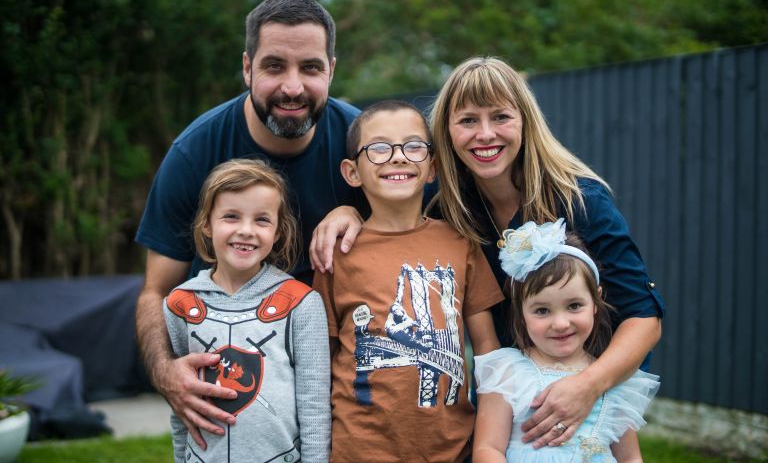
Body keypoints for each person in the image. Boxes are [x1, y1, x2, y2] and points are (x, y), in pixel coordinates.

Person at [310, 56, 664, 450]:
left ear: (525, 122)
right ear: (446, 133)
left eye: (500, 117)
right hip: (503, 411)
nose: (485, 134)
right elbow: (391, 203)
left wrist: (585, 387)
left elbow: (644, 317)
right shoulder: (446, 207)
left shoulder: (581, 201)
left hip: (583, 398)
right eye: (467, 121)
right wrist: (348, 210)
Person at [135, 0, 366, 448]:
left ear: (332, 71)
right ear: (247, 67)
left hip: (345, 375)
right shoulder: (194, 153)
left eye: (311, 68)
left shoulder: (365, 144)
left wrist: (358, 210)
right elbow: (156, 290)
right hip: (234, 386)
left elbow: (424, 228)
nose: (293, 87)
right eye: (275, 66)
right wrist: (167, 373)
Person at [312, 100, 503, 463]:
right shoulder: (336, 254)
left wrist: (489, 442)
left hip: (453, 450)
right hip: (360, 452)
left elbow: (488, 349)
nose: (398, 157)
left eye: (413, 145)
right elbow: (321, 364)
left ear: (432, 168)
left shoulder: (460, 242)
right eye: (379, 148)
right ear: (352, 172)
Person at [163, 159, 330, 463]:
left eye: (262, 220)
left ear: (279, 231)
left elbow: (314, 403)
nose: (246, 230)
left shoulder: (302, 303)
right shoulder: (180, 304)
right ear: (207, 224)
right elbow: (180, 400)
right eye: (231, 216)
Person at [473, 219, 659, 463]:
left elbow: (630, 458)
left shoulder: (612, 379)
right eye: (542, 310)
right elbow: (488, 449)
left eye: (574, 306)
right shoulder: (507, 372)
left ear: (595, 301)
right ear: (521, 312)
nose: (560, 323)